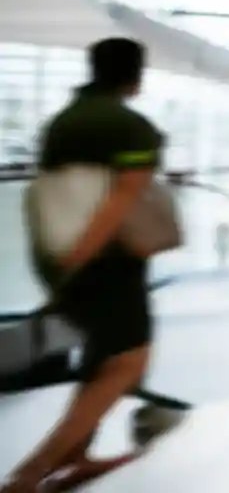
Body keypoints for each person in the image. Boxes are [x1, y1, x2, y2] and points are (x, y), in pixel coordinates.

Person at [4, 39, 166, 492]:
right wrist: (84, 253)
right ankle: (29, 475)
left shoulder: (63, 122)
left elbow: (53, 193)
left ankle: (78, 456)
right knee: (129, 361)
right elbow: (124, 198)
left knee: (101, 357)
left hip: (57, 254)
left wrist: (63, 262)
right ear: (135, 75)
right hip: (105, 260)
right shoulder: (130, 126)